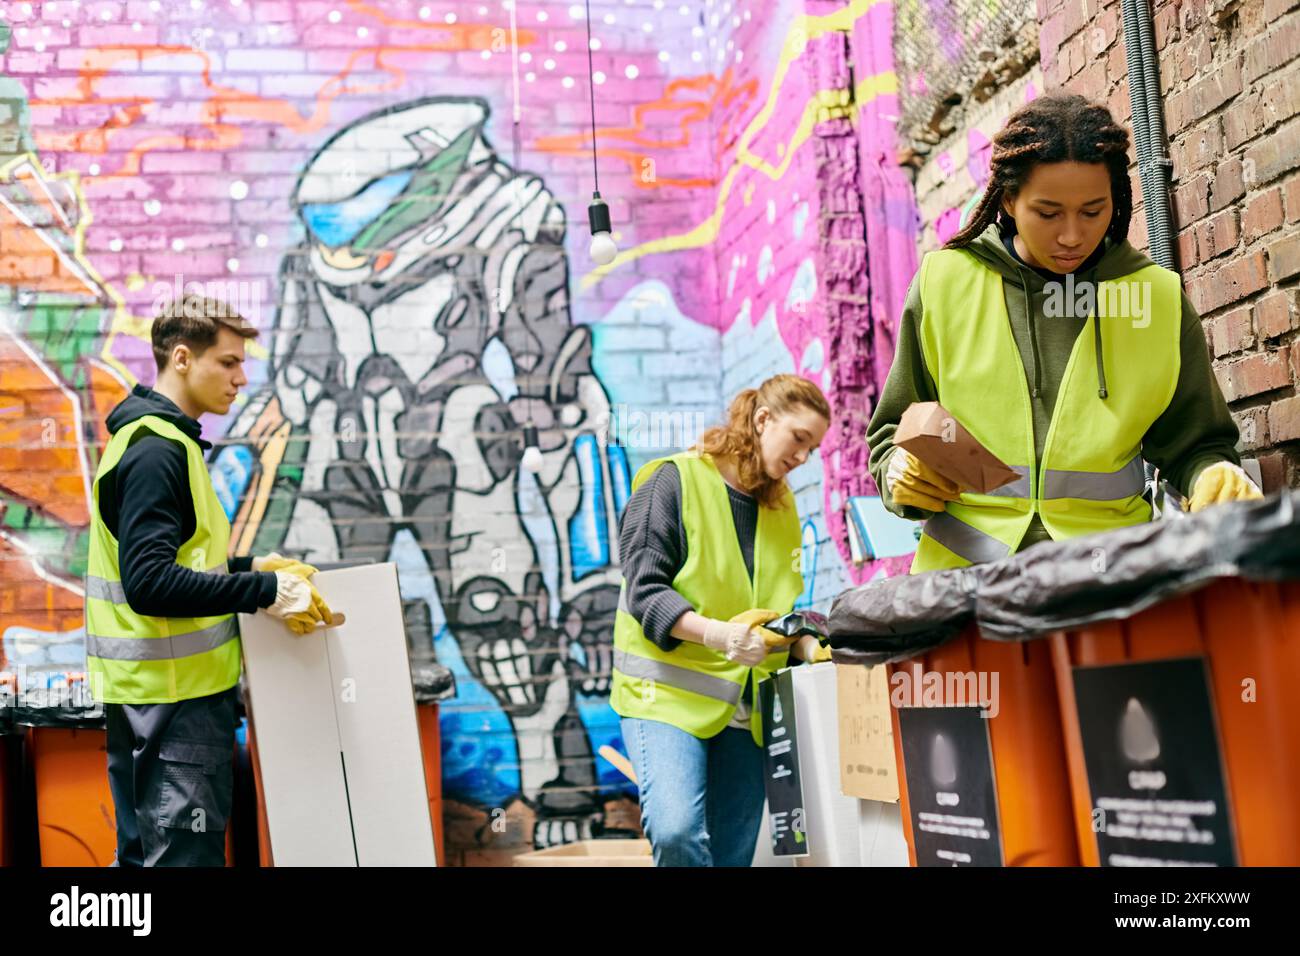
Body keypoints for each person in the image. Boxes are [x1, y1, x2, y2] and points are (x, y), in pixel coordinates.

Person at [867, 92, 1261, 574]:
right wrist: (898, 474)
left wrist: (1215, 475)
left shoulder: (1156, 299)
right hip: (966, 597)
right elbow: (891, 433)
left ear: (1115, 199)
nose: (1072, 235)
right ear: (1009, 201)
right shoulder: (942, 284)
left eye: (1092, 212)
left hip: (1107, 587)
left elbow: (1195, 444)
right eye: (1048, 213)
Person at [85, 294, 337, 866]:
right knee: (181, 862)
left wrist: (254, 569)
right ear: (180, 358)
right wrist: (264, 593)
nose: (242, 379)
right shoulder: (156, 452)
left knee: (151, 859)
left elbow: (183, 565)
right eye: (228, 362)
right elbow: (150, 584)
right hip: (175, 705)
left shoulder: (161, 443)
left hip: (156, 702)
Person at [610, 373, 832, 866]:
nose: (802, 458)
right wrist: (720, 635)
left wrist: (807, 644)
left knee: (731, 857)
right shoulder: (673, 480)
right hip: (664, 697)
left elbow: (781, 602)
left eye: (812, 449)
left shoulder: (782, 504)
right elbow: (645, 592)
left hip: (745, 709)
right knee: (676, 832)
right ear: (762, 419)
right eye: (799, 439)